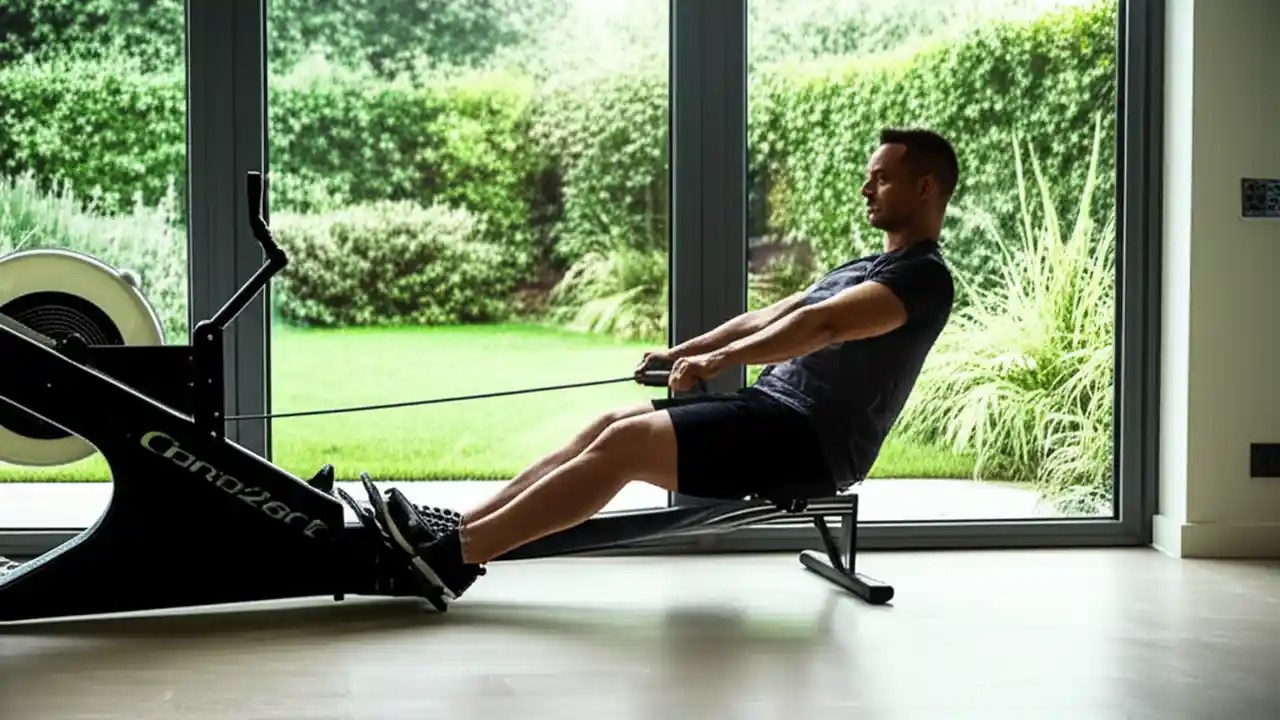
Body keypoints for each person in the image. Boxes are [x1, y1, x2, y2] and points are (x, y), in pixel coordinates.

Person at [360, 127, 960, 608]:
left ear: (926, 187)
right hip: (772, 411)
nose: (865, 189)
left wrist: (721, 360)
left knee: (625, 444)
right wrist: (682, 353)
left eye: (880, 179)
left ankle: (454, 558)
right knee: (607, 425)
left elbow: (822, 327)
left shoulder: (923, 278)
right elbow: (769, 315)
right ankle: (457, 526)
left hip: (810, 442)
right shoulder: (863, 265)